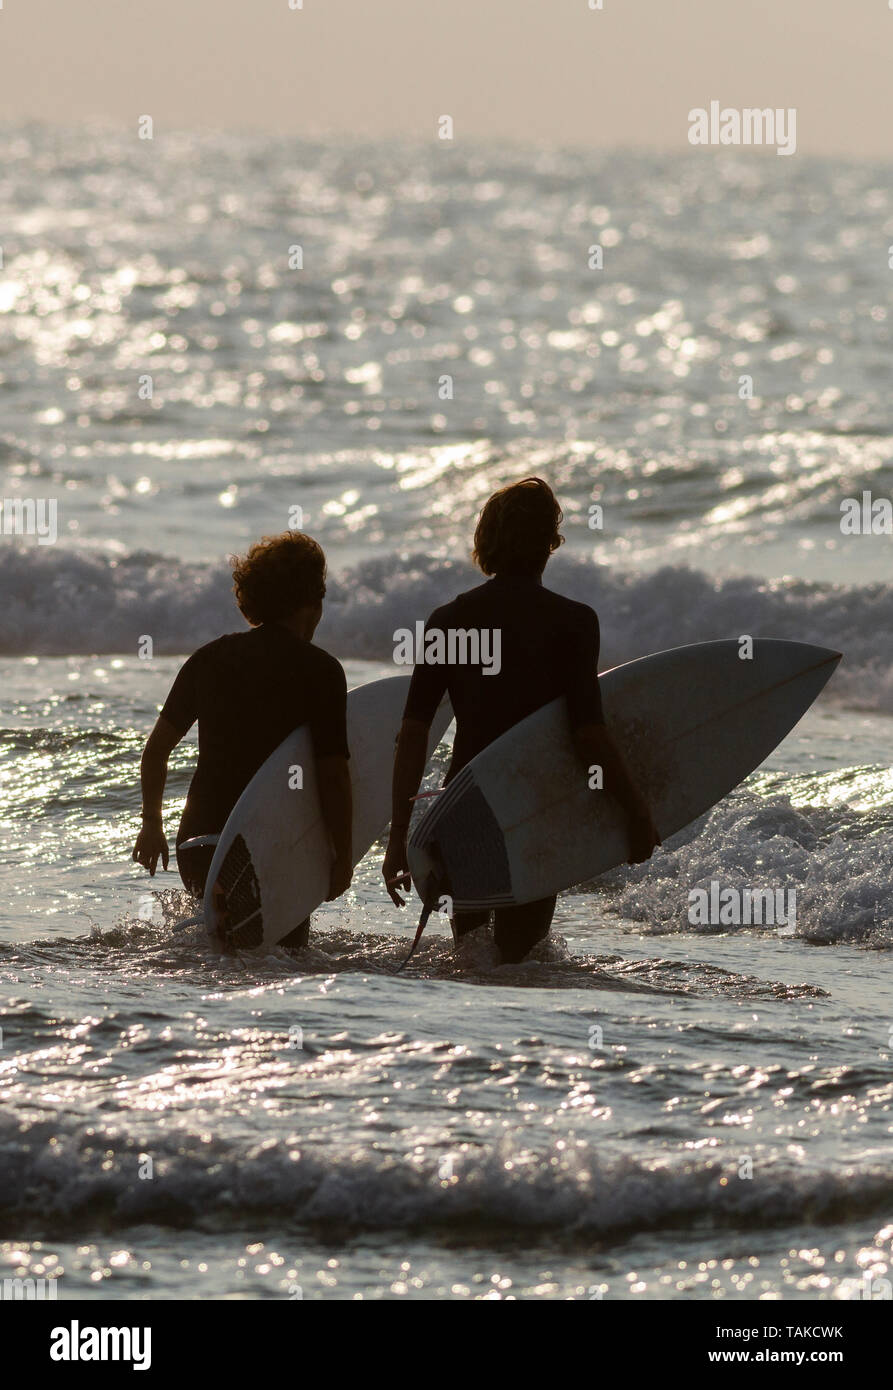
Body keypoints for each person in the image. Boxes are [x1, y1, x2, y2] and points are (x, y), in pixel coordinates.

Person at [382, 477, 659, 964]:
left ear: (486, 541)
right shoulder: (573, 622)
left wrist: (400, 837)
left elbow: (413, 733)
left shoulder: (448, 621)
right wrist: (634, 813)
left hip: (465, 807)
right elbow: (588, 733)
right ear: (549, 542)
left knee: (469, 956)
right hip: (534, 806)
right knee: (522, 961)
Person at [132, 531, 353, 946]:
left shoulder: (208, 659)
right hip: (273, 842)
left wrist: (152, 827)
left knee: (224, 945)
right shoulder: (321, 671)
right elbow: (333, 774)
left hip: (200, 845)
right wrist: (341, 856)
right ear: (313, 602)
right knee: (281, 956)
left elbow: (156, 752)